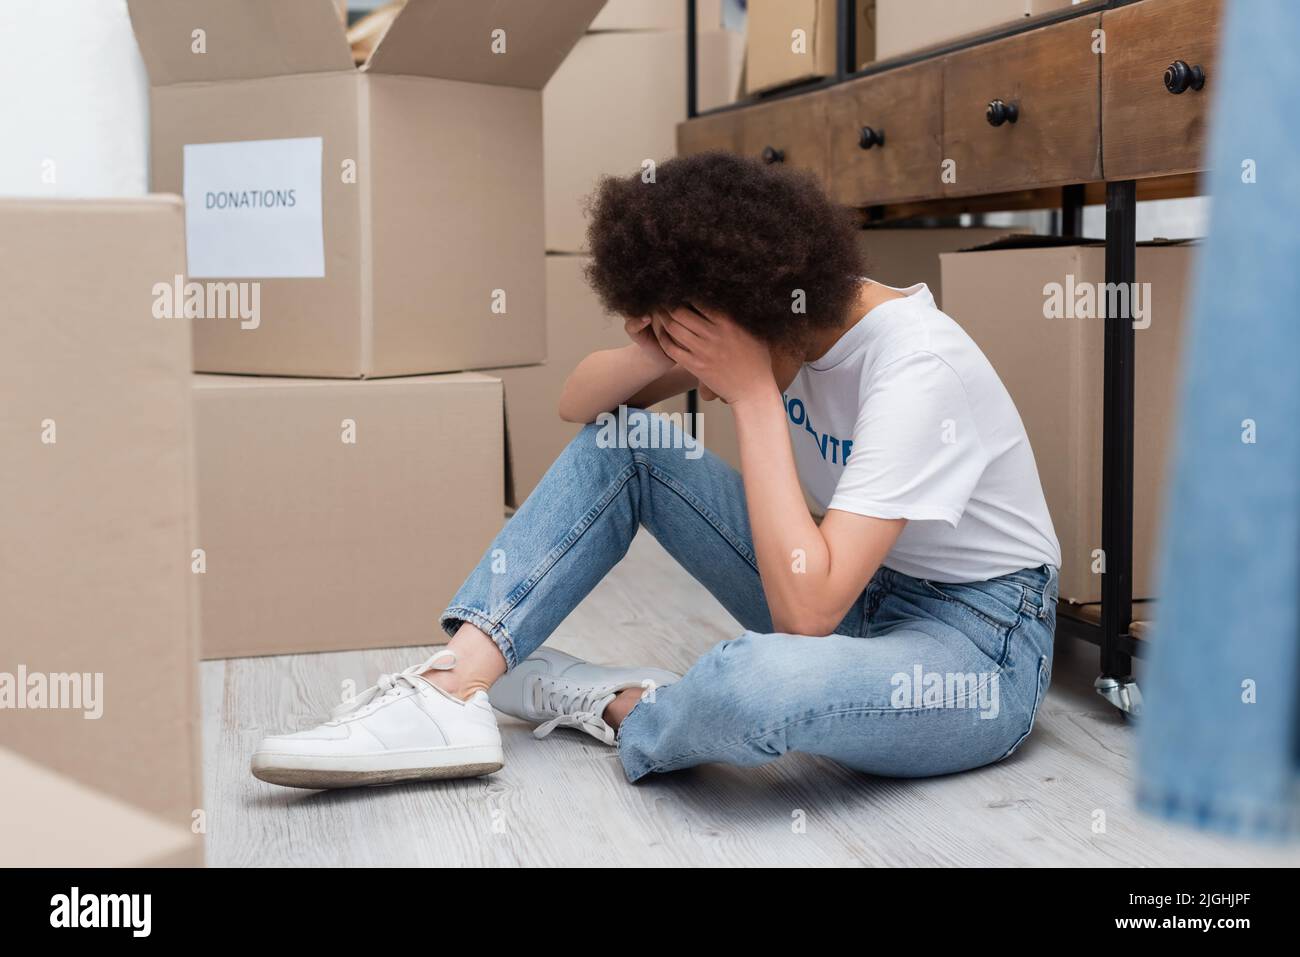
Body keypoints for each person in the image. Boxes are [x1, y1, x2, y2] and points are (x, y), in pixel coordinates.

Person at [250, 152, 1061, 790]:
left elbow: (808, 613)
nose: (699, 385)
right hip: (856, 586)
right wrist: (658, 347)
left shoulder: (919, 368)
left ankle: (619, 703)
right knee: (628, 439)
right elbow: (579, 404)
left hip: (978, 649)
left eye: (707, 361)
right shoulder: (780, 320)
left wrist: (747, 393)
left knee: (757, 685)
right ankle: (452, 688)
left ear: (761, 310)